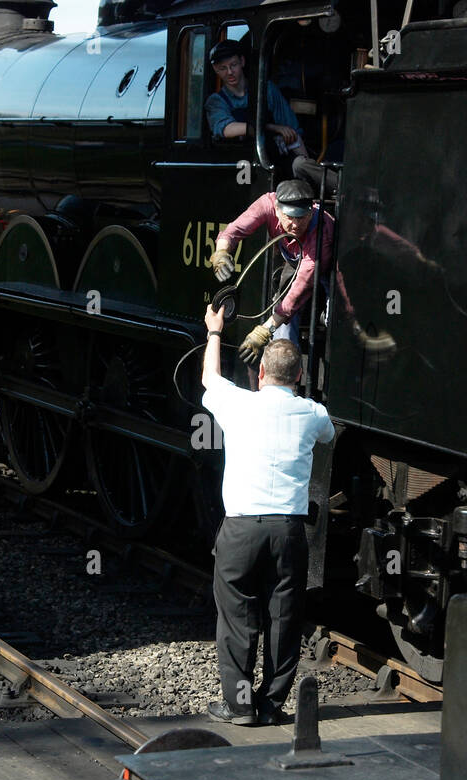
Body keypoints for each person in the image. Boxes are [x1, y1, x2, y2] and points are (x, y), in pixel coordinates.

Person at [200, 302, 335, 725]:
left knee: (238, 618)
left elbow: (209, 378)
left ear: (260, 374)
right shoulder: (313, 414)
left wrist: (216, 331)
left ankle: (239, 706)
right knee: (284, 617)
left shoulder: (237, 405)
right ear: (298, 377)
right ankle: (273, 705)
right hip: (288, 531)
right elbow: (328, 435)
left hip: (240, 530)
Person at [209, 178, 335, 364]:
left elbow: (298, 291)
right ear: (276, 209)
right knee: (281, 316)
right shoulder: (267, 204)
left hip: (330, 272)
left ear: (311, 211)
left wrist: (265, 329)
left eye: (301, 217)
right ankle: (283, 373)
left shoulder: (321, 233)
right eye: (289, 217)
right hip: (294, 264)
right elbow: (234, 229)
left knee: (336, 319)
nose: (295, 224)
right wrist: (221, 251)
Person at [204, 39, 307, 173]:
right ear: (215, 69)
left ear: (242, 61)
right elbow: (226, 129)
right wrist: (271, 127)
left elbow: (292, 131)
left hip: (274, 160)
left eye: (233, 65)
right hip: (238, 165)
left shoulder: (267, 90)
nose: (229, 72)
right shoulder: (216, 101)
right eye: (223, 68)